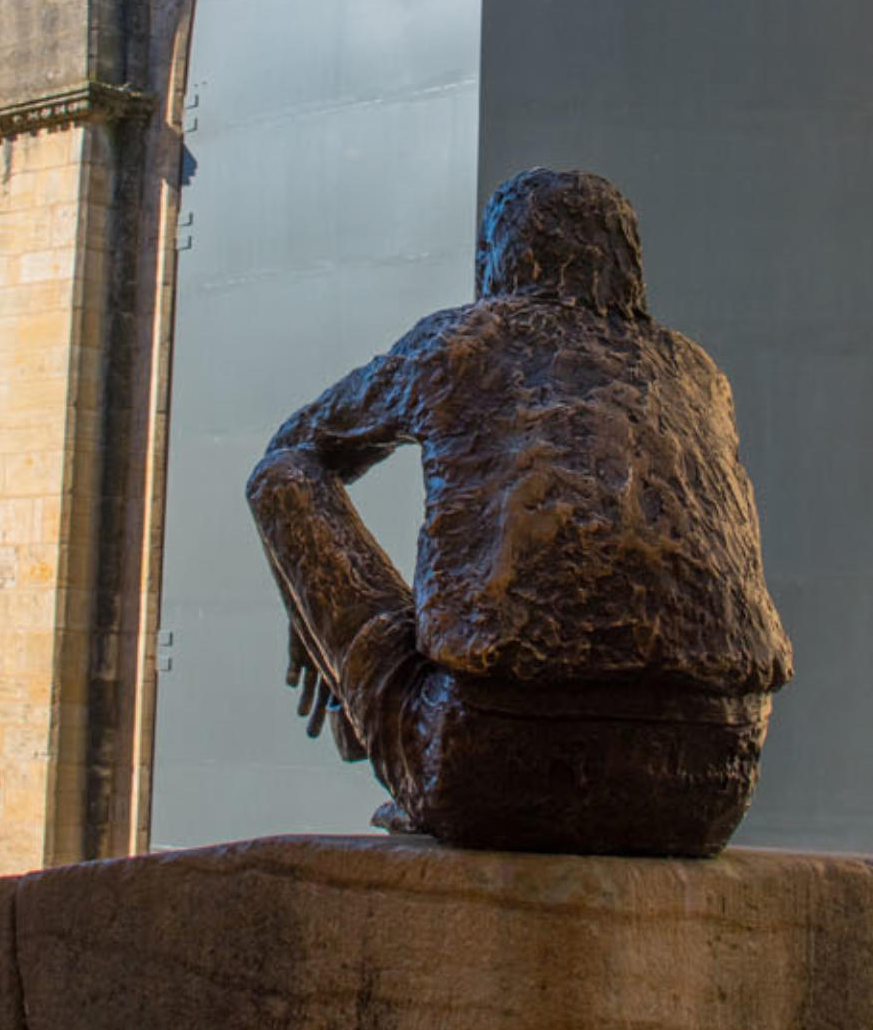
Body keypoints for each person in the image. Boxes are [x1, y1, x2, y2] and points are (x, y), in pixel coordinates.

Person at [247, 166, 791, 856]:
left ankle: (399, 740)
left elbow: (293, 454)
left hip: (487, 769)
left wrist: (316, 621)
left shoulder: (458, 343)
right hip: (710, 787)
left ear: (497, 257)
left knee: (280, 479)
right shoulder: (696, 373)